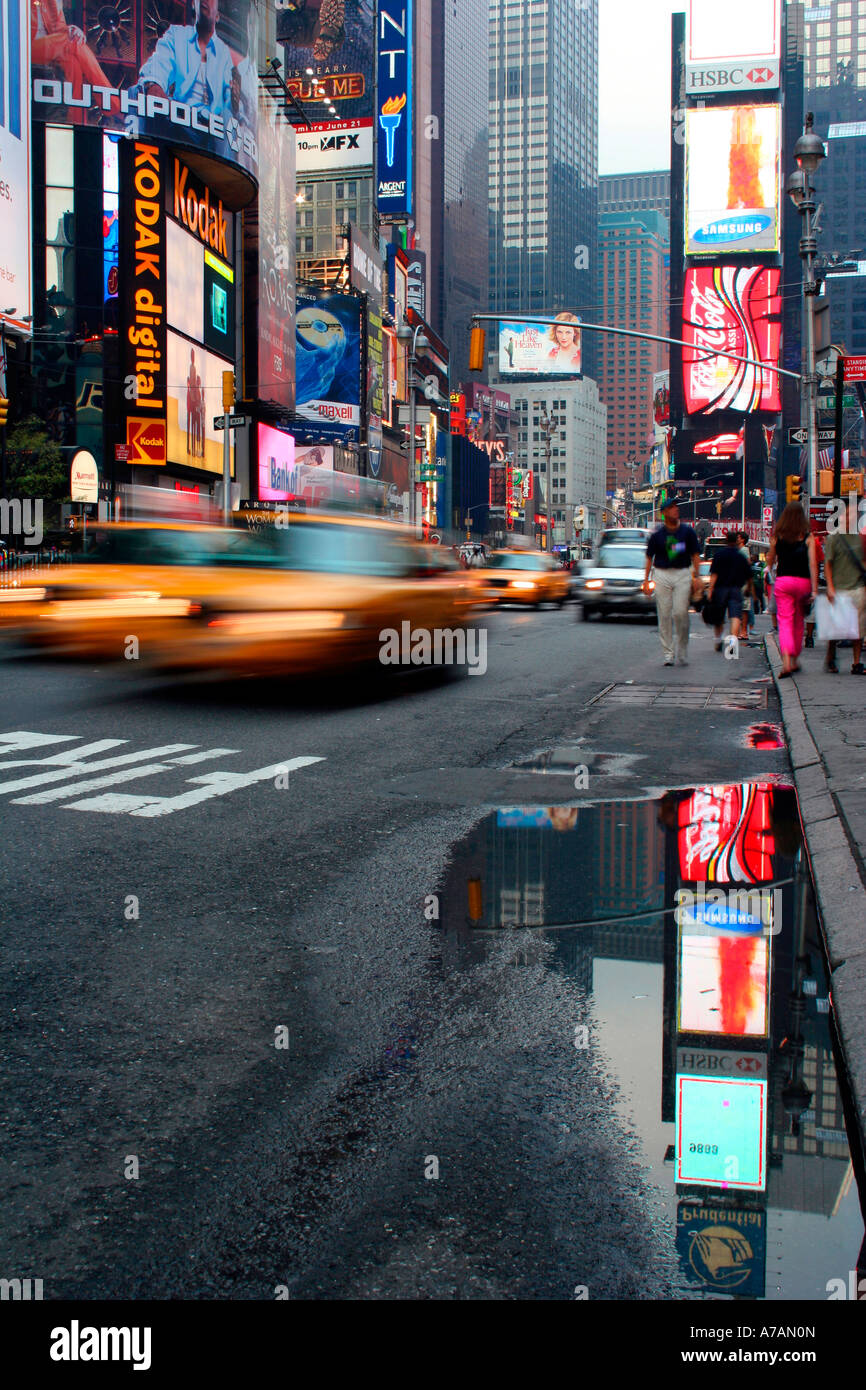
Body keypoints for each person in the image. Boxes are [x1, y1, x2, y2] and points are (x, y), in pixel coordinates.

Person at [135, 0, 240, 125]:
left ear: (217, 16)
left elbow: (228, 98)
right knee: (135, 93)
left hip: (212, 130)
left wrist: (234, 103)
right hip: (178, 121)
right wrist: (154, 85)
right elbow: (159, 63)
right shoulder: (176, 34)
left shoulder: (224, 53)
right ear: (193, 5)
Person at [642, 495, 701, 666]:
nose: (676, 509)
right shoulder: (657, 536)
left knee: (680, 613)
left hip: (682, 574)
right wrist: (646, 581)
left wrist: (696, 576)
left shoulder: (687, 532)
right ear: (664, 513)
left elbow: (695, 555)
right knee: (665, 614)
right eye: (672, 507)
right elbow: (648, 558)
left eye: (677, 507)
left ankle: (682, 649)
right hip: (661, 574)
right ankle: (668, 653)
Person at [765, 503, 818, 677]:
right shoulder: (808, 537)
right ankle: (794, 660)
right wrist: (815, 589)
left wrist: (771, 569)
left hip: (784, 582)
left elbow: (771, 559)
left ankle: (786, 662)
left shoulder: (777, 536)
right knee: (798, 622)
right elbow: (812, 564)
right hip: (803, 583)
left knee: (785, 622)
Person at [823, 522, 866, 674]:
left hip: (857, 587)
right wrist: (830, 587)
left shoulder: (859, 539)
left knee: (859, 628)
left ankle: (856, 663)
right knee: (836, 628)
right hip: (839, 588)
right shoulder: (833, 539)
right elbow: (827, 563)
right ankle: (831, 655)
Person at [706, 531, 752, 653]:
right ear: (736, 541)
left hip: (720, 590)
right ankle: (732, 643)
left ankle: (718, 640)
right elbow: (749, 575)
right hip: (736, 589)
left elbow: (714, 574)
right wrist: (749, 589)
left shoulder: (719, 555)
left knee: (719, 617)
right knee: (736, 617)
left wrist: (710, 590)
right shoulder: (741, 556)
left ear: (726, 540)